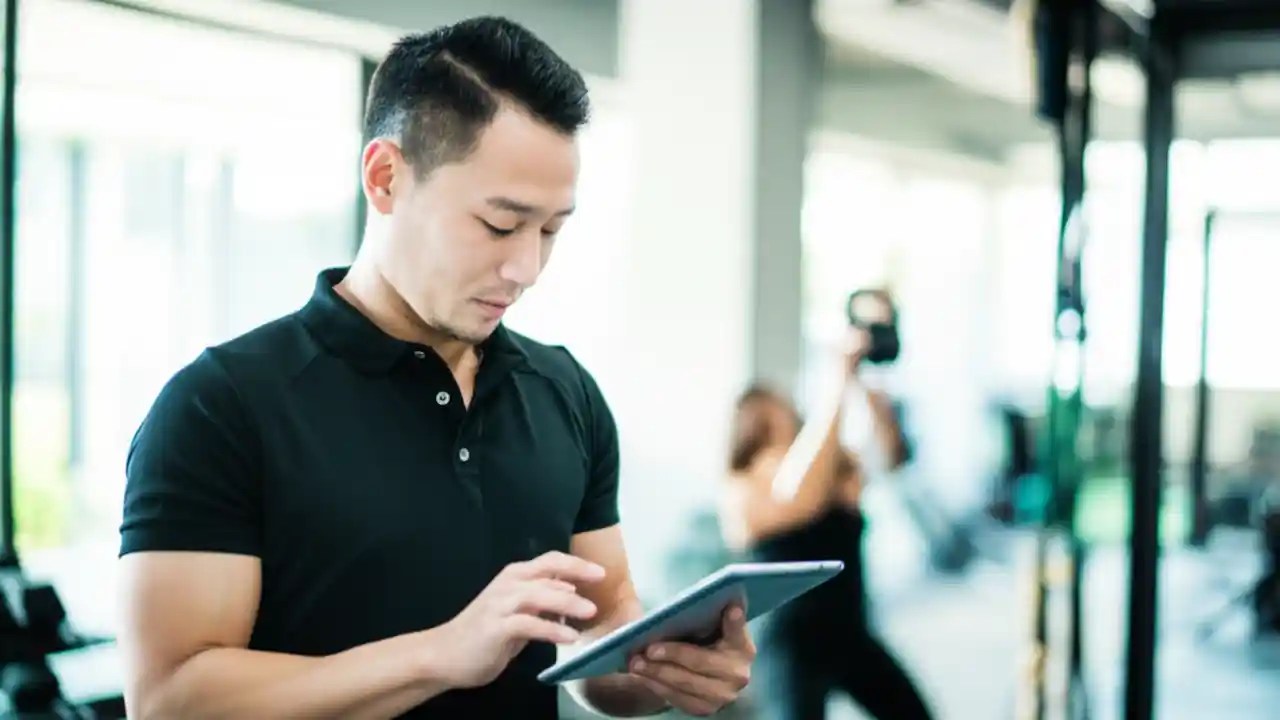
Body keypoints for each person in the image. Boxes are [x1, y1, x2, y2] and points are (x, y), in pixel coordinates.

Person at [116, 17, 755, 719]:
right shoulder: (221, 406)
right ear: (386, 178)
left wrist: (663, 669)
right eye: (499, 224)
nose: (527, 268)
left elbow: (597, 638)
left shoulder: (564, 394)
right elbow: (171, 700)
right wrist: (438, 654)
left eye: (551, 230)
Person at [718, 305, 933, 720]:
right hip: (790, 642)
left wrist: (864, 381)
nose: (786, 414)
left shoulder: (832, 469)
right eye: (772, 413)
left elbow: (891, 458)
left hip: (849, 630)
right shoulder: (746, 486)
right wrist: (838, 376)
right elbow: (800, 496)